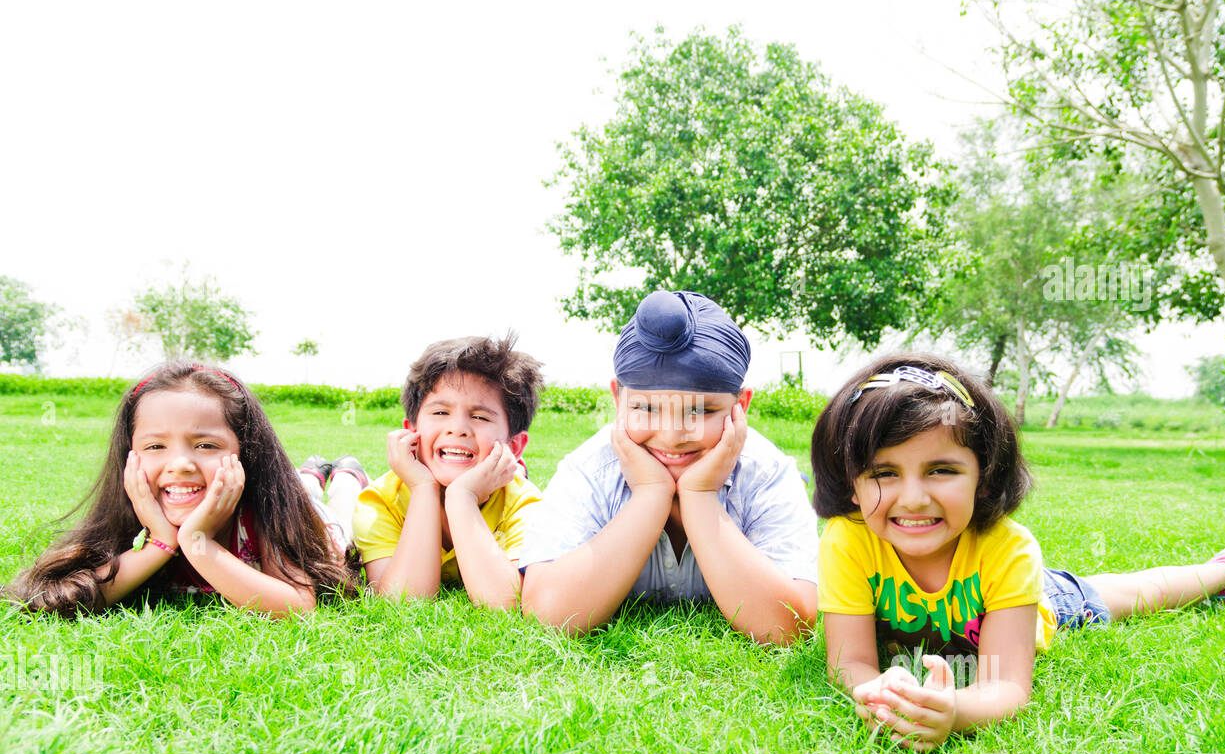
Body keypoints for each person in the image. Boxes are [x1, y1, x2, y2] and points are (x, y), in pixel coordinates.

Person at [811, 352, 1225, 752]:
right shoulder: (847, 540)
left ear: (985, 477)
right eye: (883, 473)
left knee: (1126, 595)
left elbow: (1007, 686)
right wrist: (877, 694)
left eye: (941, 470)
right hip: (993, 595)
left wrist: (954, 712)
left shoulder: (1010, 549)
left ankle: (1223, 573)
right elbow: (849, 662)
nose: (912, 498)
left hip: (1043, 599)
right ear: (850, 483)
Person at [519, 290, 819, 644]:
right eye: (646, 408)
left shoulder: (767, 474)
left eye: (701, 411)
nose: (672, 436)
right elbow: (548, 615)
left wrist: (700, 496)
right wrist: (650, 495)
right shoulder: (589, 469)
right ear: (618, 400)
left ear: (742, 406)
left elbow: (788, 628)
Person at [8, 363, 352, 617]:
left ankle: (346, 476)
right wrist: (161, 541)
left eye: (205, 446)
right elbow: (55, 601)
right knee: (305, 484)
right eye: (156, 447)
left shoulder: (264, 512)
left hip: (317, 519)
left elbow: (298, 608)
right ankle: (311, 473)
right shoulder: (127, 520)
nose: (181, 464)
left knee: (338, 513)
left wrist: (195, 541)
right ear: (129, 456)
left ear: (245, 453)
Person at [351, 334, 543, 608]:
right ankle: (345, 475)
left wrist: (462, 497)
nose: (458, 428)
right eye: (440, 413)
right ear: (412, 431)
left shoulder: (524, 503)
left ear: (514, 445)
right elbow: (402, 603)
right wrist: (421, 488)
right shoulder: (380, 501)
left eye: (480, 417)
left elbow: (506, 604)